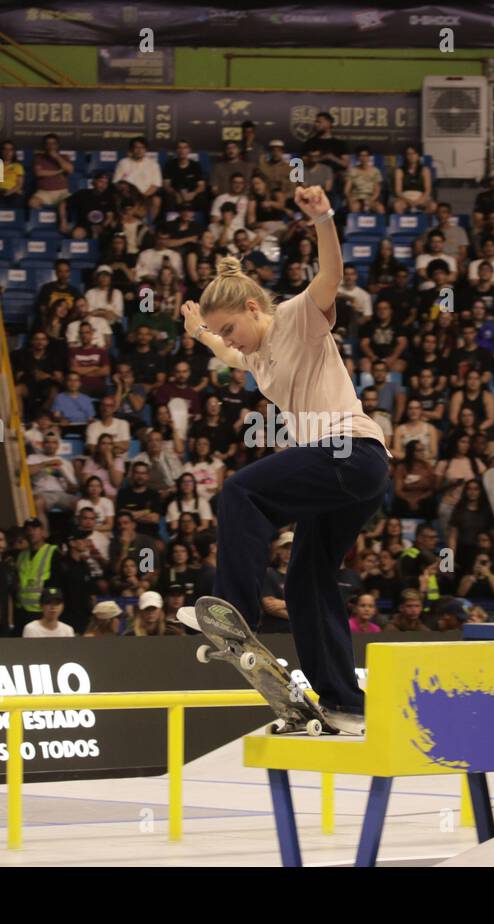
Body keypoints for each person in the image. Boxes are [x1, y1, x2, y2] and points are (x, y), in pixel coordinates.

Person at [179, 184, 390, 732]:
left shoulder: (299, 317)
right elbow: (228, 354)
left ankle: (236, 616)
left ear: (254, 307)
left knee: (241, 491)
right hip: (354, 476)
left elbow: (330, 277)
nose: (235, 341)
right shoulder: (257, 356)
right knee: (307, 579)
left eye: (233, 327)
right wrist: (202, 332)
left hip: (350, 451)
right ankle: (344, 699)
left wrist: (323, 218)